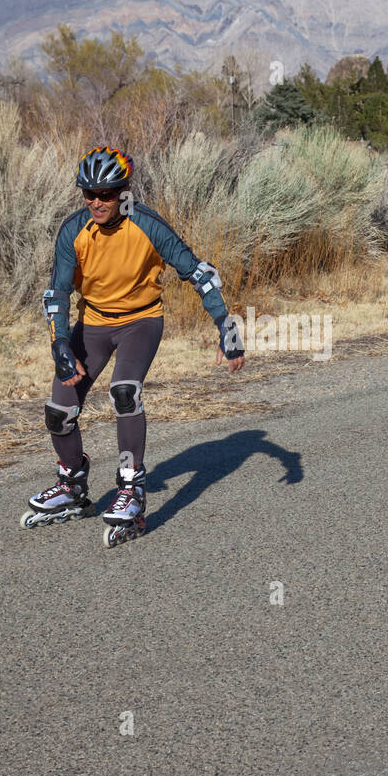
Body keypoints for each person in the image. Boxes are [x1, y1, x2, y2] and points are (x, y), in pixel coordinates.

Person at [22, 146, 244, 542]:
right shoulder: (74, 230)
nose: (95, 202)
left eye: (105, 194)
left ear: (124, 191)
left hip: (141, 322)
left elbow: (199, 274)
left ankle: (132, 490)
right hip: (92, 324)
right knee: (58, 412)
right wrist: (59, 343)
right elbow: (57, 294)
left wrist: (225, 326)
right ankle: (72, 486)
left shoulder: (148, 225)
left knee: (124, 392)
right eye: (88, 194)